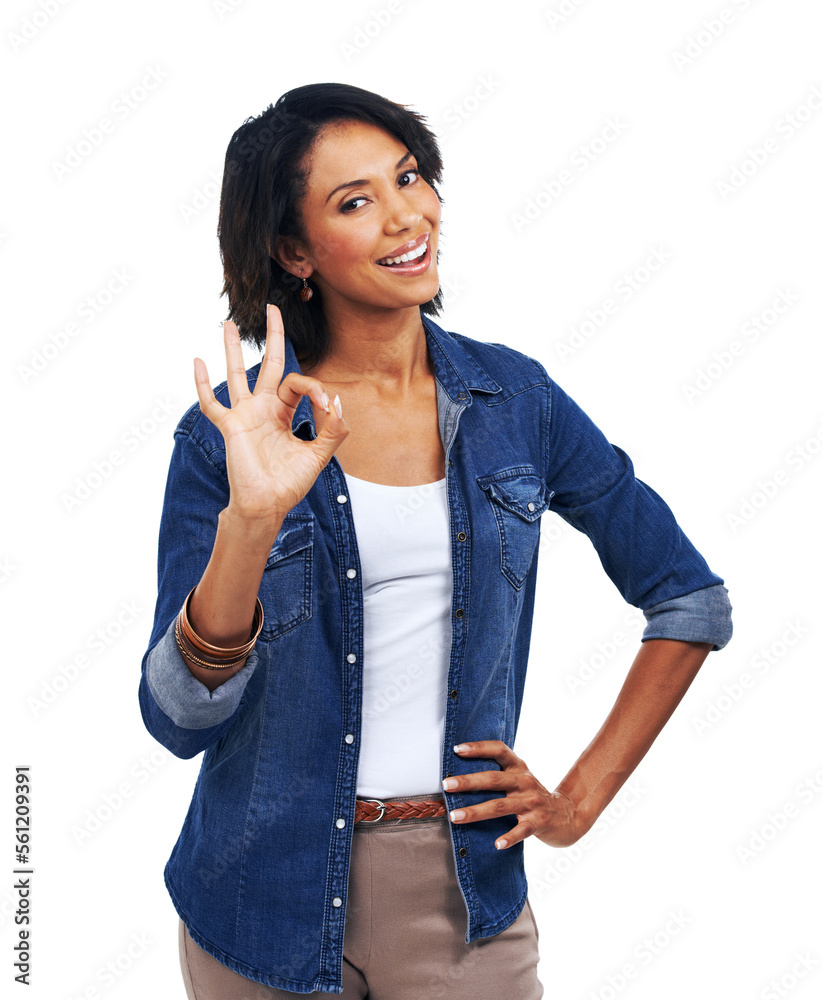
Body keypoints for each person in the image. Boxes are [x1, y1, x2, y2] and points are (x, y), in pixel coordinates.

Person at [138, 83, 733, 999]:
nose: (405, 215)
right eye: (355, 201)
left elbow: (688, 599)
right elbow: (179, 719)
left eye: (409, 177)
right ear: (294, 251)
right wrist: (251, 520)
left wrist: (576, 803)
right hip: (257, 896)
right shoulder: (231, 435)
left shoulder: (518, 404)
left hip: (461, 895)